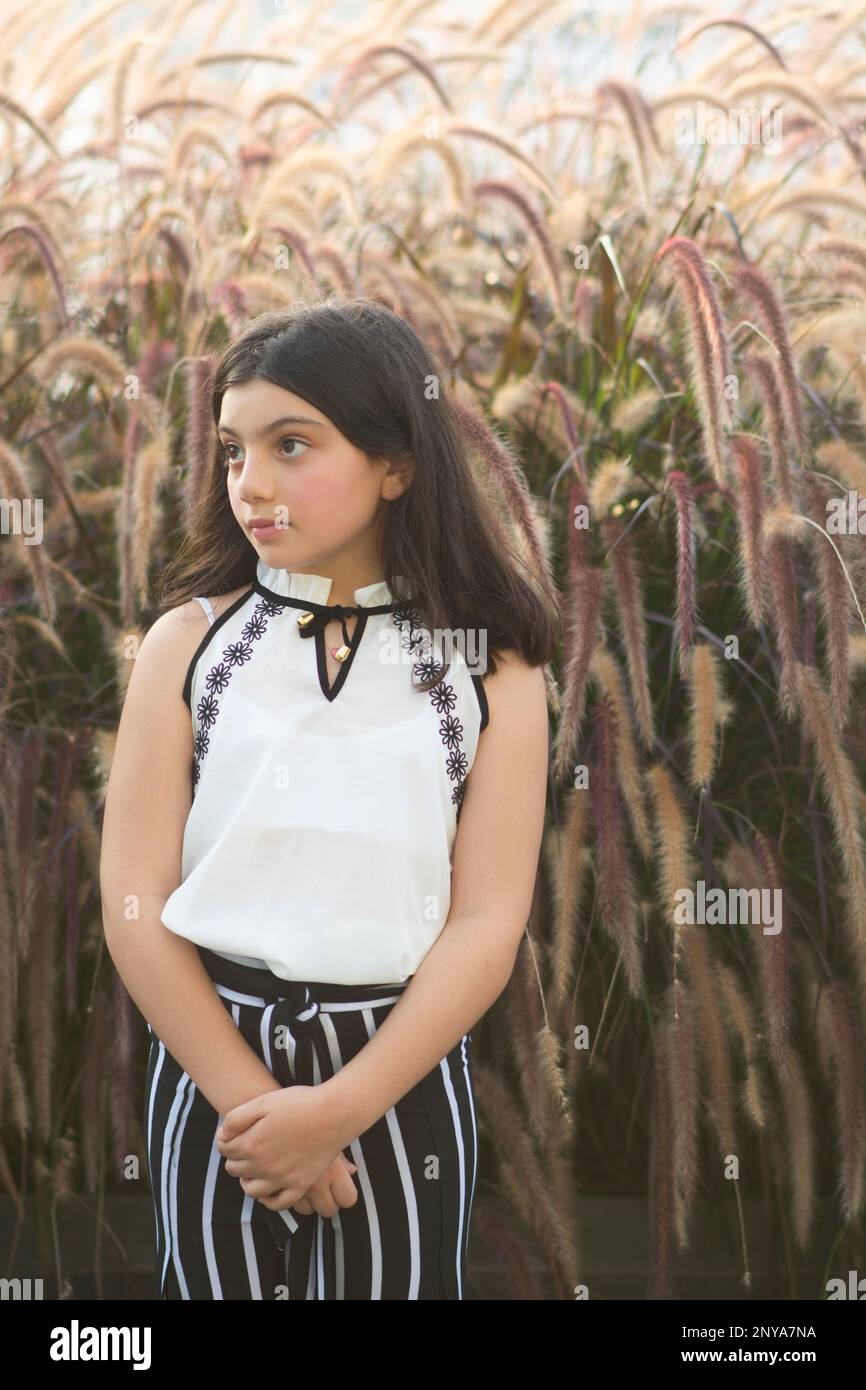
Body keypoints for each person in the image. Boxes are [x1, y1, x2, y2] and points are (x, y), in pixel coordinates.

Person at [100, 295, 555, 1300]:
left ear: (397, 465)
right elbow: (133, 900)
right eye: (231, 451)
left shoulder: (493, 671)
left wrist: (339, 1107)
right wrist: (259, 1109)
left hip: (401, 1072)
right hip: (217, 1070)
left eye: (291, 444)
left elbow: (486, 919)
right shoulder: (185, 645)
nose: (251, 484)